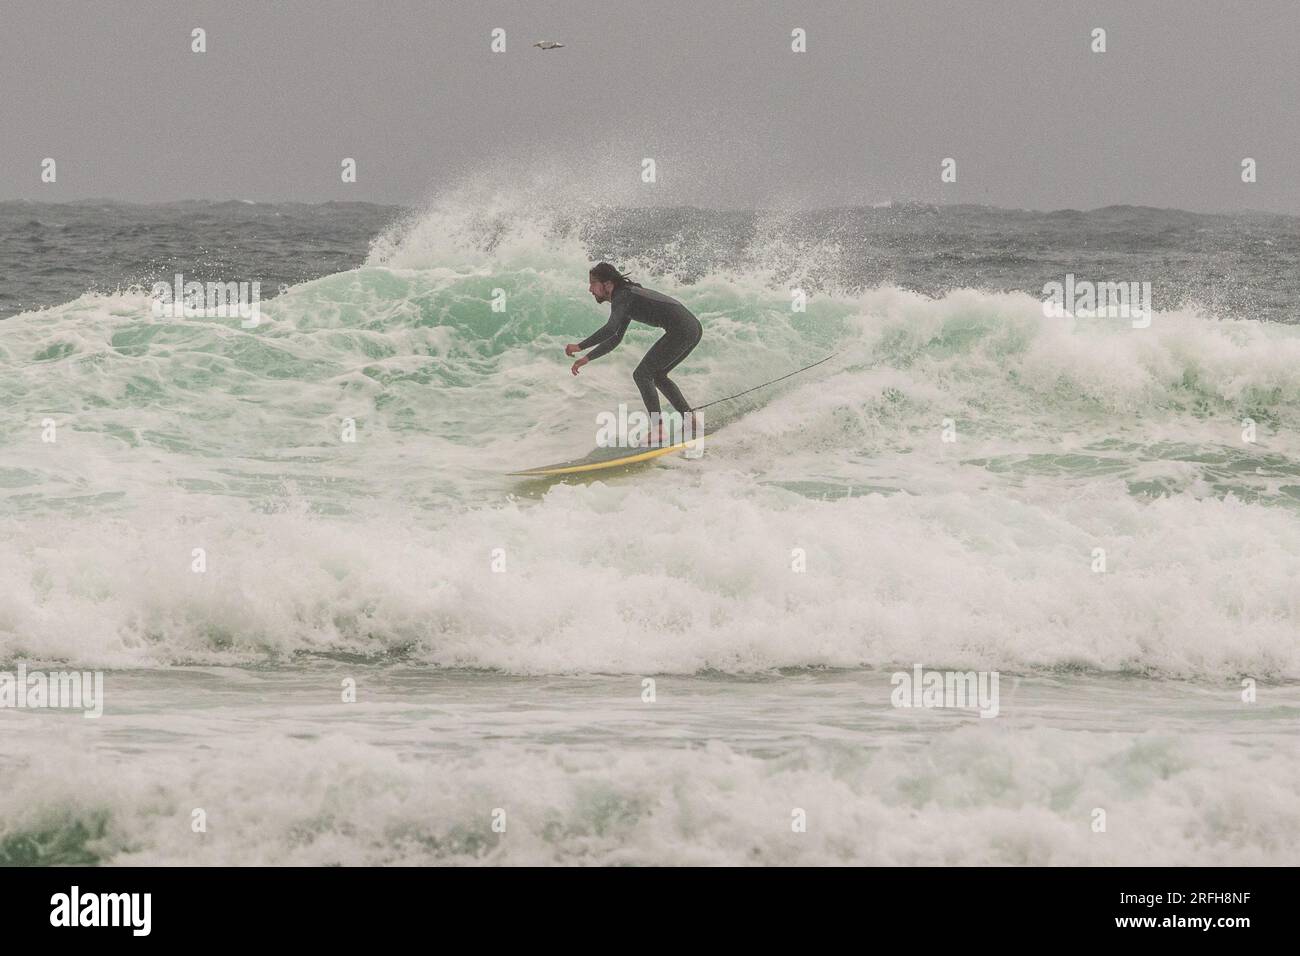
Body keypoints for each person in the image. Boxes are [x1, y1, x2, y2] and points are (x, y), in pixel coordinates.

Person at [566, 263, 703, 445]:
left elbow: (610, 329)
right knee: (658, 376)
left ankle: (658, 429)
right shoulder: (626, 295)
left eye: (593, 283)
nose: (590, 289)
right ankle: (690, 421)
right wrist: (587, 357)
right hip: (692, 328)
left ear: (607, 284)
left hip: (682, 330)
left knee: (642, 374)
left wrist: (580, 346)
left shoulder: (623, 296)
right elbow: (615, 337)